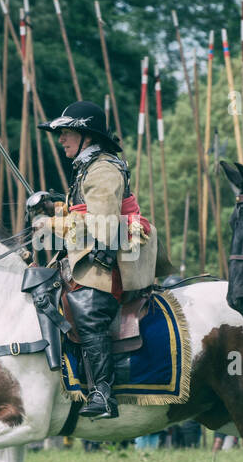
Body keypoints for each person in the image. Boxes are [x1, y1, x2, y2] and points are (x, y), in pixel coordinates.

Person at [34, 100, 157, 419]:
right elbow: (82, 212)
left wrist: (52, 226)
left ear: (87, 136)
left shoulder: (102, 168)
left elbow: (102, 224)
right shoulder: (87, 168)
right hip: (93, 252)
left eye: (67, 133)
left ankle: (103, 392)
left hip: (111, 255)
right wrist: (55, 208)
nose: (61, 139)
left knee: (87, 309)